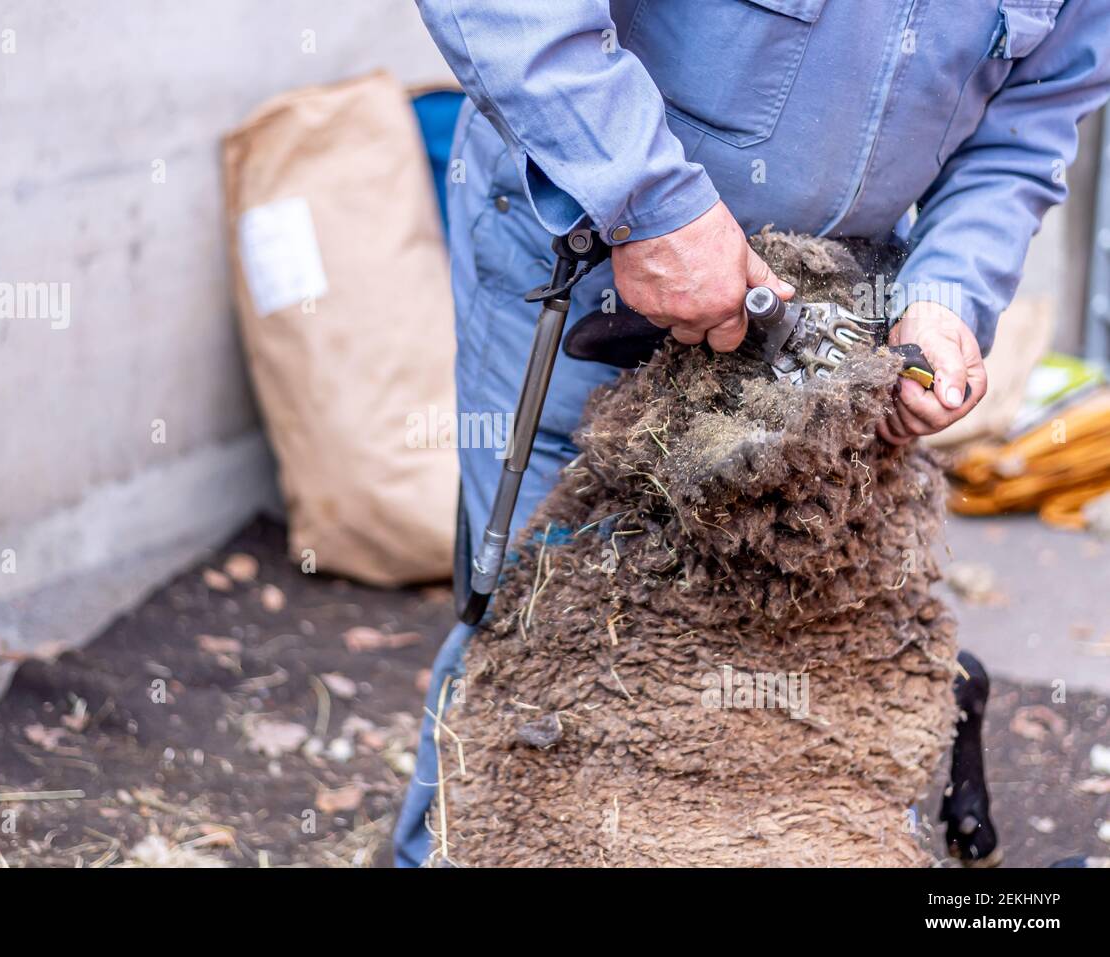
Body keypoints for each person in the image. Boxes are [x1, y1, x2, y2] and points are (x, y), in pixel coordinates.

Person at [395, 0, 1110, 866]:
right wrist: (647, 201)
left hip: (833, 325)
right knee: (541, 631)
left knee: (791, 670)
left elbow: (1026, 125)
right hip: (596, 249)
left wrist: (949, 289)